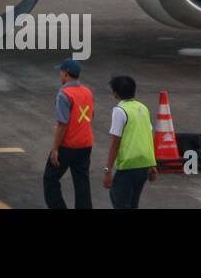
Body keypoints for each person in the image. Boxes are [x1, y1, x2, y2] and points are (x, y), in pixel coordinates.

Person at [43, 58, 93, 209]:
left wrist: (55, 149)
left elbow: (62, 124)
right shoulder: (87, 92)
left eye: (61, 72)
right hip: (85, 144)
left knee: (50, 178)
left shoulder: (64, 94)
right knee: (81, 182)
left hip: (68, 145)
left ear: (65, 74)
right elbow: (90, 115)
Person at [103, 75, 158, 209]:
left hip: (128, 167)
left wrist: (107, 170)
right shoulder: (143, 108)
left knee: (119, 201)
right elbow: (148, 136)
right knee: (133, 204)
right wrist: (151, 165)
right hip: (143, 166)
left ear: (115, 94)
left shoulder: (120, 111)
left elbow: (115, 142)